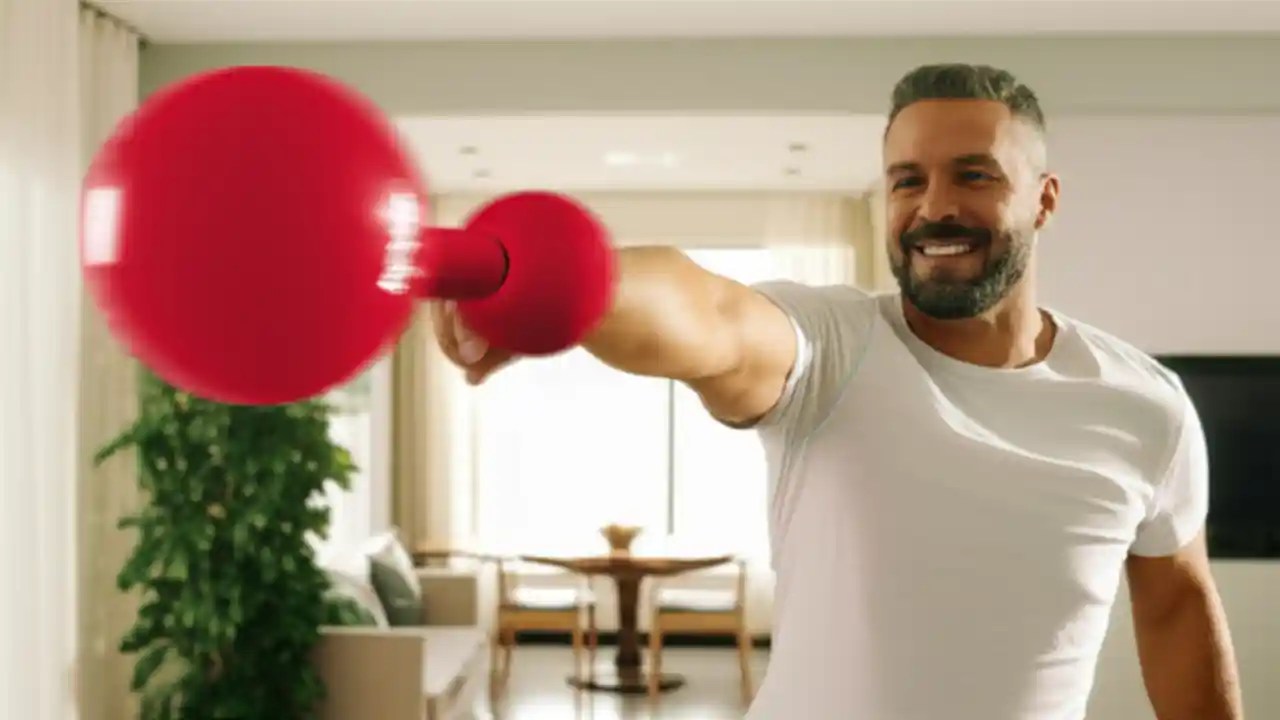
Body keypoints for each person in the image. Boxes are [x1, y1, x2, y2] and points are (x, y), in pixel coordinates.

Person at [432, 63, 1243, 719]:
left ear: (1045, 199)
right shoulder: (833, 347)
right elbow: (707, 310)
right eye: (905, 181)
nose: (935, 207)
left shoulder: (1146, 405)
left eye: (975, 175)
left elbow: (1175, 601)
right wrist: (555, 287)